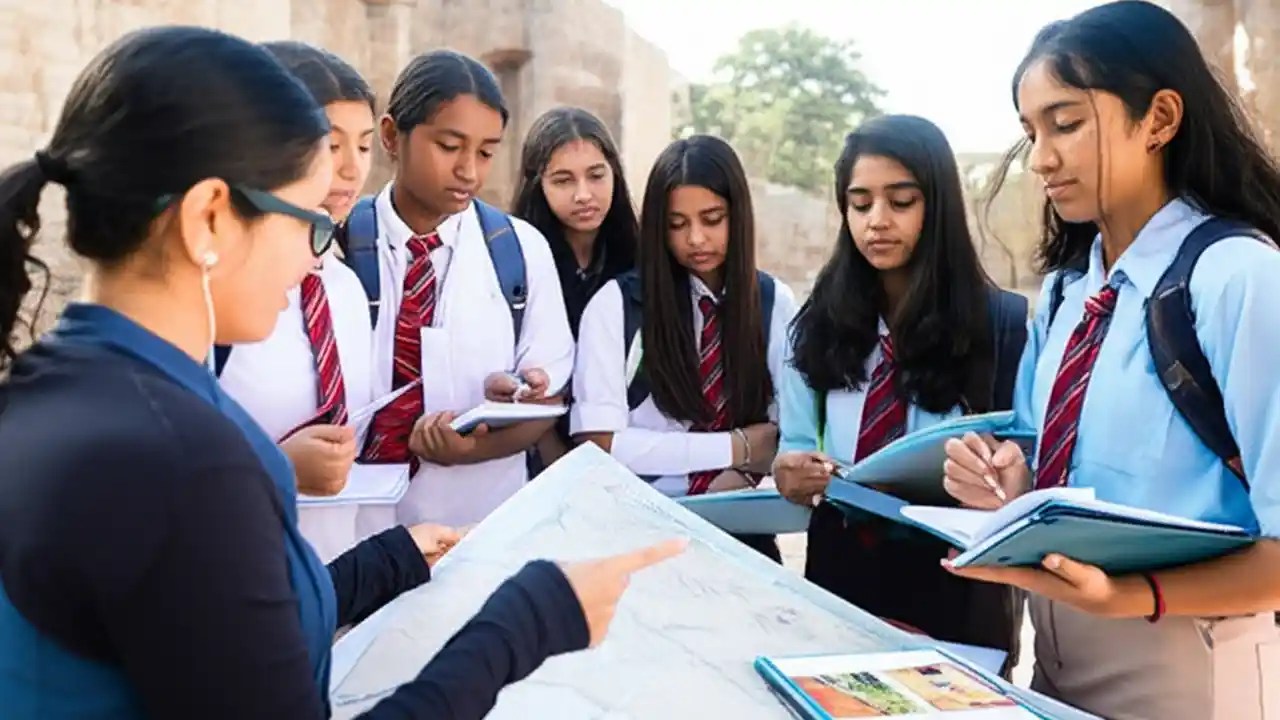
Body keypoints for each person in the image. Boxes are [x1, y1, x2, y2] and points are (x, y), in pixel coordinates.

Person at [0, 25, 683, 719]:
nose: (312, 262)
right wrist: (533, 619)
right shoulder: (191, 461)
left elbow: (216, 621)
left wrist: (391, 560)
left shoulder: (50, 392)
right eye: (305, 224)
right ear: (210, 218)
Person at [941, 3, 1280, 718]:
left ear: (1158, 119)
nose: (1040, 158)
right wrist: (1009, 478)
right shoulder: (1067, 292)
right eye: (1030, 132)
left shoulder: (1238, 278)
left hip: (1188, 667)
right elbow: (1056, 468)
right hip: (1056, 660)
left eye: (1066, 123)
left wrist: (1130, 595)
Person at [772, 114, 1027, 673]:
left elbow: (1026, 462)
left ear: (936, 206)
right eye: (860, 204)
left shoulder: (1003, 326)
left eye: (901, 201)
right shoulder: (817, 328)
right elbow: (794, 442)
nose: (877, 222)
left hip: (958, 590)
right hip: (841, 585)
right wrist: (790, 471)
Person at [359, 49, 575, 527]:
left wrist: (479, 440)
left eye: (485, 151)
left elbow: (545, 404)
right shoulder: (337, 249)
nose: (469, 171)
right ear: (392, 136)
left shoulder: (519, 251)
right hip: (358, 537)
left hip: (483, 532)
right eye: (449, 146)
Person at [571, 135, 795, 561]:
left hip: (743, 532)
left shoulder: (772, 301)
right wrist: (738, 448)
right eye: (677, 224)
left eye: (712, 219)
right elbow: (599, 443)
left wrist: (737, 476)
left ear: (738, 216)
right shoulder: (617, 306)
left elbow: (785, 428)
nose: (696, 239)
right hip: (637, 532)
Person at [214, 40, 395, 562]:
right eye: (331, 144)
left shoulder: (343, 286)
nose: (350, 169)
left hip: (332, 577)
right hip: (236, 575)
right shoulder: (222, 293)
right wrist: (279, 467)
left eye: (363, 147)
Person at [509, 106, 638, 469]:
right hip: (531, 452)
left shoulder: (640, 259)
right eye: (564, 180)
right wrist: (557, 458)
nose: (584, 194)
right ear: (538, 185)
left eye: (596, 176)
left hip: (624, 454)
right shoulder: (517, 260)